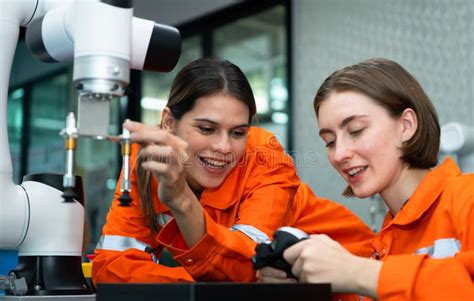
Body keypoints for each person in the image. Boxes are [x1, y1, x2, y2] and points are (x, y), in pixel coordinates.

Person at [92, 57, 375, 284]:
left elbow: (242, 265)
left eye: (238, 132)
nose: (224, 147)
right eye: (206, 128)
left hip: (356, 273)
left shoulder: (266, 159)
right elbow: (112, 266)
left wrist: (181, 200)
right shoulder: (149, 162)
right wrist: (192, 286)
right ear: (168, 122)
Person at [258, 58, 474, 300]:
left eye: (356, 130)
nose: (339, 154)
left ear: (406, 125)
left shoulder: (467, 199)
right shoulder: (381, 247)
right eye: (330, 141)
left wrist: (359, 272)